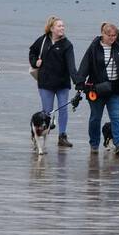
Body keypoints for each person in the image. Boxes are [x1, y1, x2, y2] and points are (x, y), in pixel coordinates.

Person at [75, 21, 119, 155]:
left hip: (116, 90)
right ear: (103, 34)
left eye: (114, 36)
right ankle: (94, 144)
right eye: (109, 36)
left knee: (116, 116)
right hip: (97, 90)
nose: (112, 38)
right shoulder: (94, 47)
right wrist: (79, 84)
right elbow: (85, 65)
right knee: (95, 117)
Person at [29, 16, 78, 148]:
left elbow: (71, 66)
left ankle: (62, 136)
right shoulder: (43, 40)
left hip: (62, 84)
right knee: (47, 112)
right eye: (59, 26)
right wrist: (35, 62)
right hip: (45, 83)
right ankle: (38, 136)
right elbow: (32, 52)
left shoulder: (67, 45)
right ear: (51, 28)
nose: (62, 28)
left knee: (63, 109)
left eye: (63, 26)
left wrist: (78, 82)